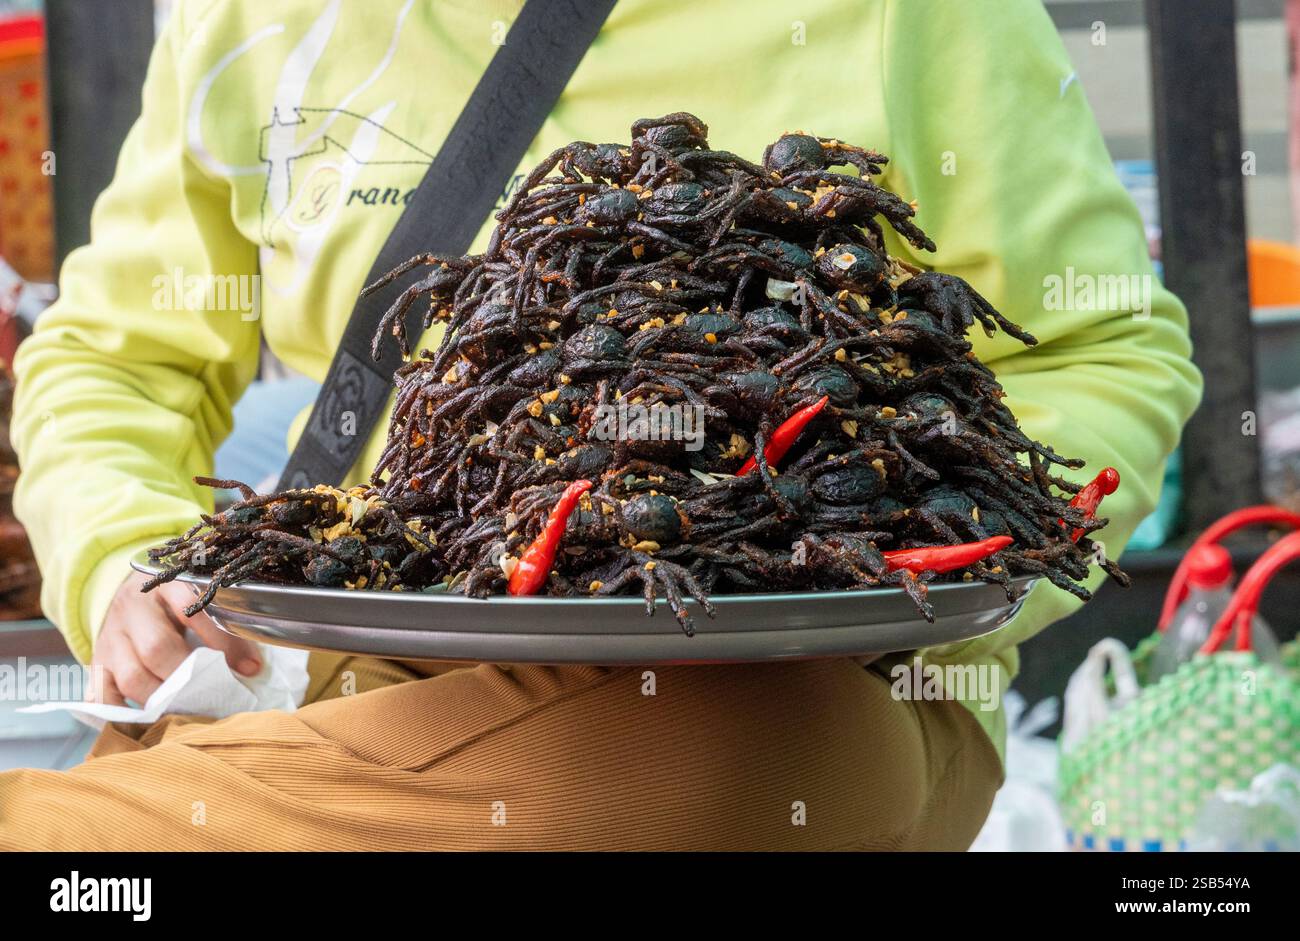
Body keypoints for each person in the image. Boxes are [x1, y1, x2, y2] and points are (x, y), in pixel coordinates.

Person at [1, 0, 1201, 850]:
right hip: (366, 653)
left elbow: (1105, 347)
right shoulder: (249, 16)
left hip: (823, 667)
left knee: (747, 748)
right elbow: (115, 358)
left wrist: (946, 565)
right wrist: (122, 557)